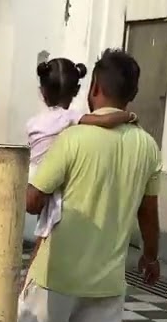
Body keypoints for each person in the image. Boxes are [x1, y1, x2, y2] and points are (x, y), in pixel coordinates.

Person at [13, 49, 162, 322]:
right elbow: (148, 214)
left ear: (95, 88)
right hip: (108, 276)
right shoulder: (146, 144)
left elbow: (33, 198)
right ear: (131, 94)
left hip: (57, 270)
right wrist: (150, 256)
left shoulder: (74, 140)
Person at [24, 58, 137, 259]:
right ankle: (32, 274)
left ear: (42, 92)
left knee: (44, 232)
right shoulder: (69, 118)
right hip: (51, 179)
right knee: (47, 234)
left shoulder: (33, 122)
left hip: (32, 174)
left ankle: (30, 274)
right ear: (76, 91)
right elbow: (103, 120)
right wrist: (127, 117)